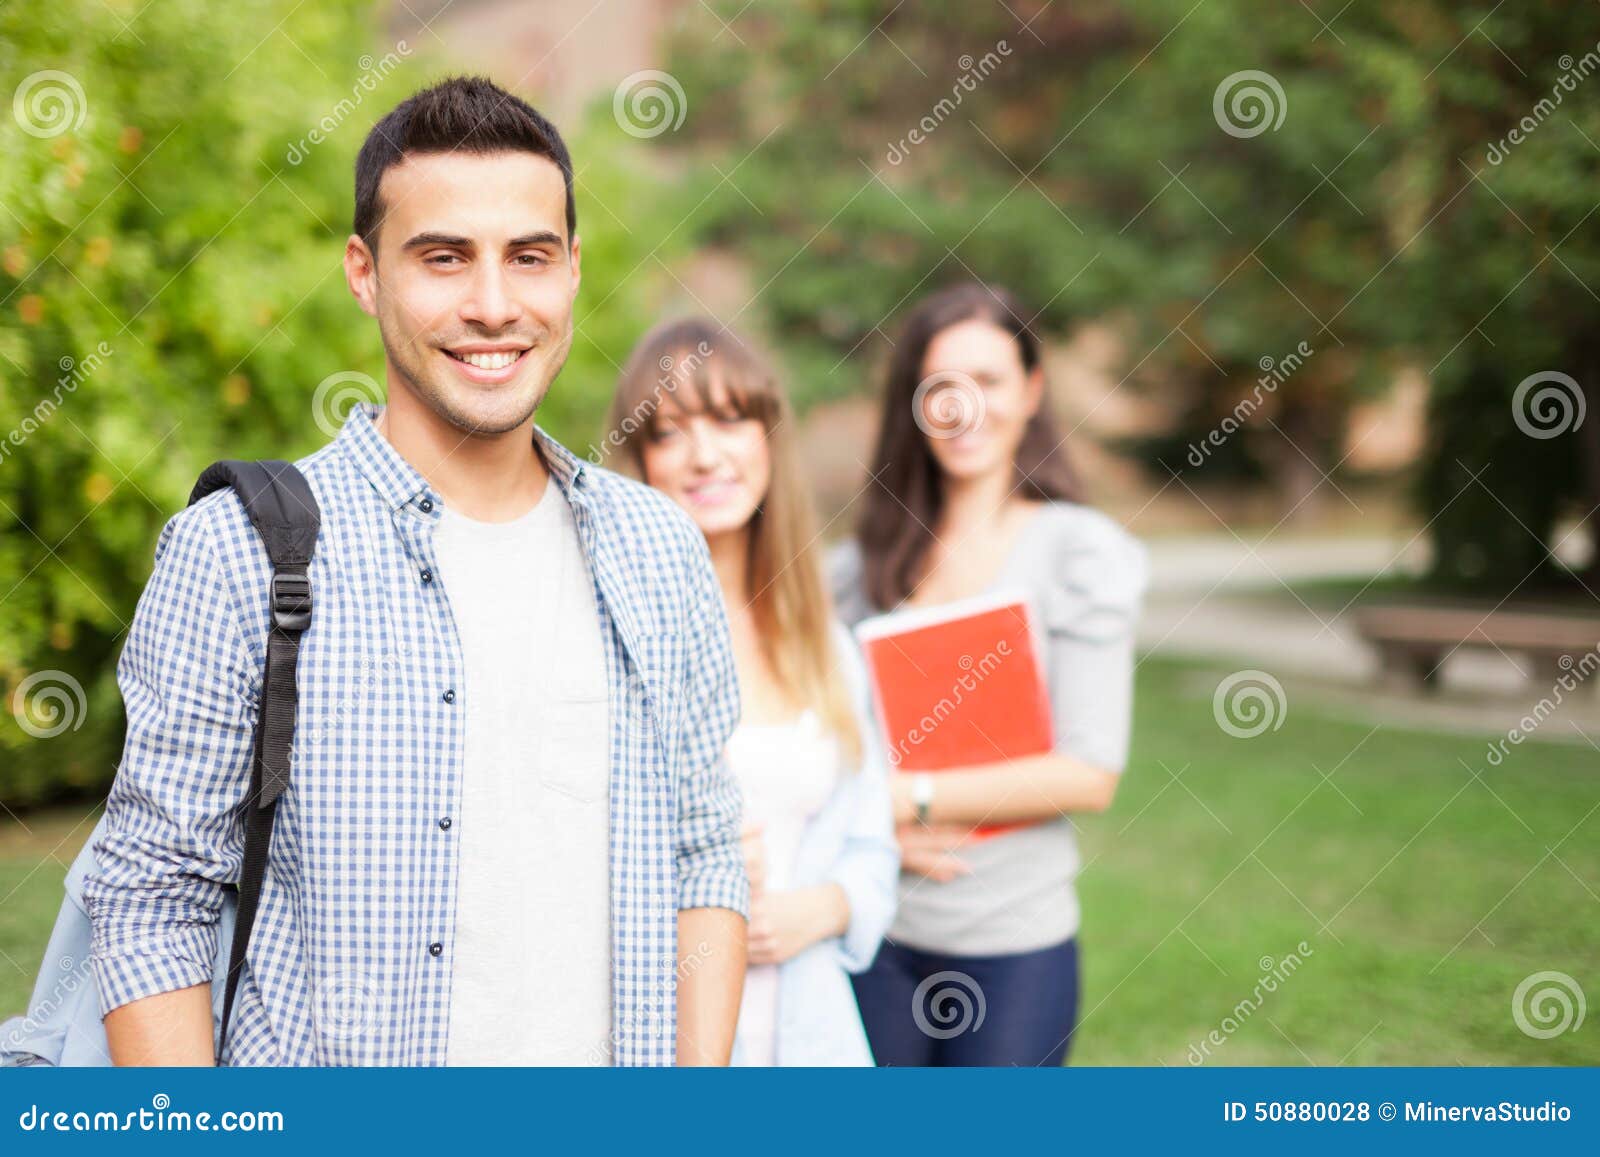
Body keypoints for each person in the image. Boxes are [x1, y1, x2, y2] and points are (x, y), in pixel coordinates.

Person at [83, 77, 748, 1067]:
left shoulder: (658, 548)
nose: (492, 305)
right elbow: (151, 895)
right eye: (443, 258)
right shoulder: (237, 550)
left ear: (571, 271)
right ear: (364, 272)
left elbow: (702, 857)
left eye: (529, 256)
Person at [831, 283, 1147, 1067]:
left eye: (992, 381)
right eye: (941, 385)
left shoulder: (1078, 553)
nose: (965, 407)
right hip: (873, 935)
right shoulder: (854, 570)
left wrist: (905, 797)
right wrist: (868, 824)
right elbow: (827, 747)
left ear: (1033, 391)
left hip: (1013, 946)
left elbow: (1090, 772)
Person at [606, 318, 898, 1066]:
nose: (706, 455)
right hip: (662, 1035)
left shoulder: (823, 642)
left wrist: (821, 908)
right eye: (669, 432)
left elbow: (872, 843)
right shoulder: (609, 639)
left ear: (768, 437)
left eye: (730, 419)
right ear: (640, 461)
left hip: (811, 1038)